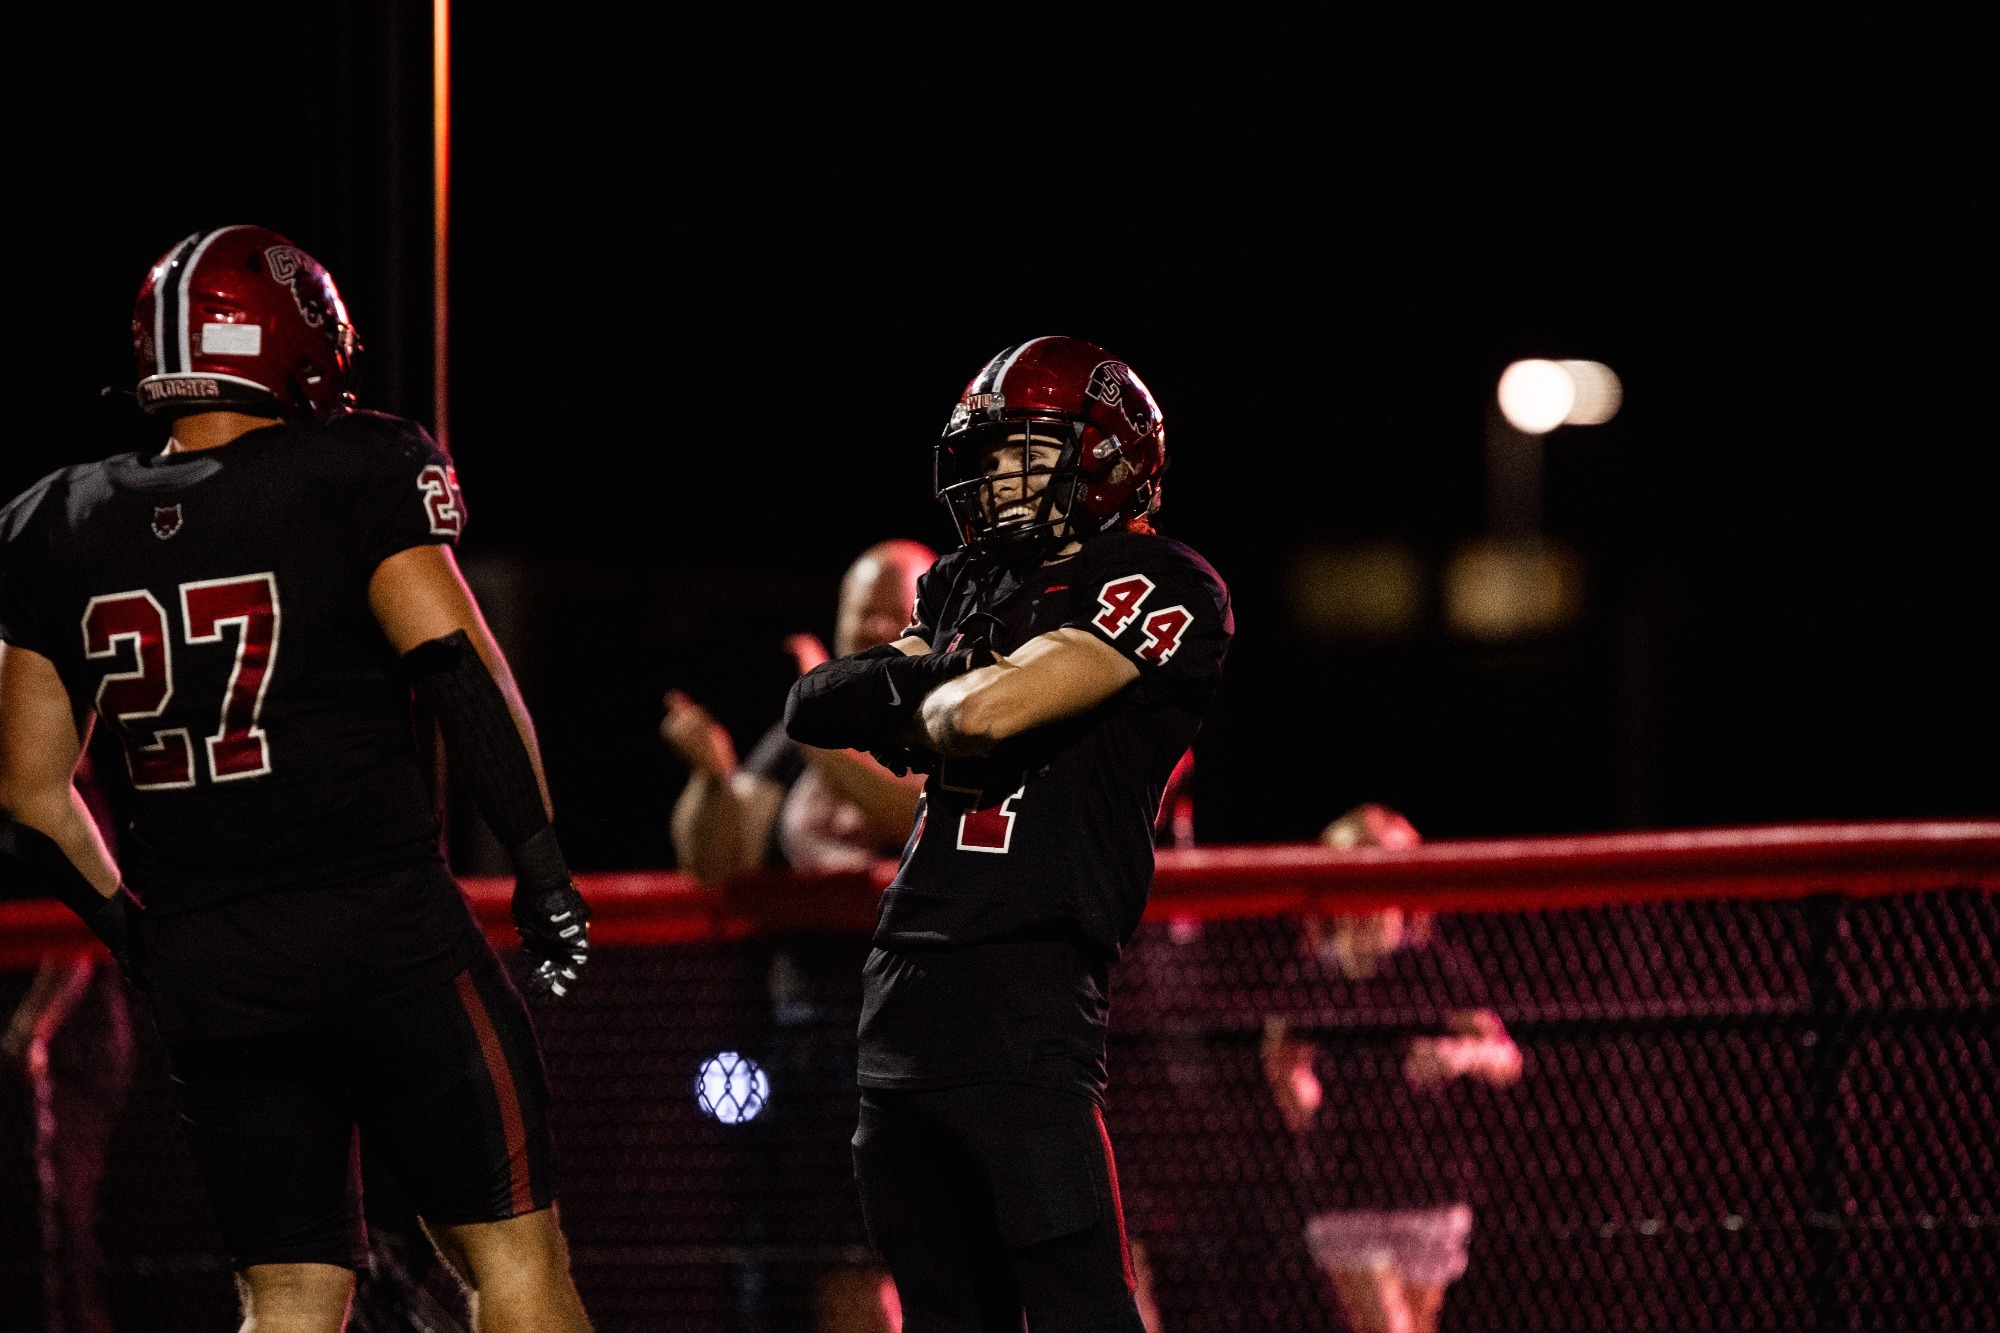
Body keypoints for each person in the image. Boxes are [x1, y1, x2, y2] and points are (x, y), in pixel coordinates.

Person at [0, 227, 592, 1333]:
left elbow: (28, 789)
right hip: (386, 933)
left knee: (286, 1292)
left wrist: (135, 934)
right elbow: (457, 669)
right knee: (513, 1264)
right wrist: (543, 865)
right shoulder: (355, 468)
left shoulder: (54, 520)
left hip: (215, 966)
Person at [785, 336, 1233, 1330]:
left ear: (1107, 457)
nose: (996, 483)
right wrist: (934, 677)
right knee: (946, 1314)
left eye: (1025, 455)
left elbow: (977, 715)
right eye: (988, 459)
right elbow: (814, 703)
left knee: (1082, 1308)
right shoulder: (963, 585)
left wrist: (912, 687)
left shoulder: (1161, 579)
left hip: (1023, 991)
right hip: (898, 996)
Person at [1262, 805, 1523, 1333]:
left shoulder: (1433, 965)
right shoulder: (1315, 975)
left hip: (1429, 1179)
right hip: (1346, 1185)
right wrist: (1306, 1106)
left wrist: (1457, 1055)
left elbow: (1505, 1057)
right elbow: (1281, 1057)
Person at [661, 540, 934, 882]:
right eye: (864, 613)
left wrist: (818, 722)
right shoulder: (794, 740)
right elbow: (712, 865)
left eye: (897, 614)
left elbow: (917, 815)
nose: (876, 629)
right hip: (799, 936)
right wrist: (712, 777)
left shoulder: (954, 724)